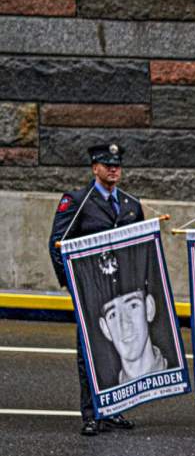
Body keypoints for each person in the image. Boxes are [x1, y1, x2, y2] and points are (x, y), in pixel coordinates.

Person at [48, 142, 145, 436]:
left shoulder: (131, 204)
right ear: (95, 168)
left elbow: (140, 249)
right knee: (89, 352)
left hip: (123, 292)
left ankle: (114, 408)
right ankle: (91, 414)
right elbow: (57, 244)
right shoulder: (77, 201)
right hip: (91, 291)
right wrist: (73, 286)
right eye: (107, 165)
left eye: (116, 165)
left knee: (118, 352)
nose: (113, 169)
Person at [92, 252, 168, 387]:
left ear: (149, 308)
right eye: (113, 315)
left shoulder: (173, 370)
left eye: (133, 306)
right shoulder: (105, 386)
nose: (124, 324)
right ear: (105, 328)